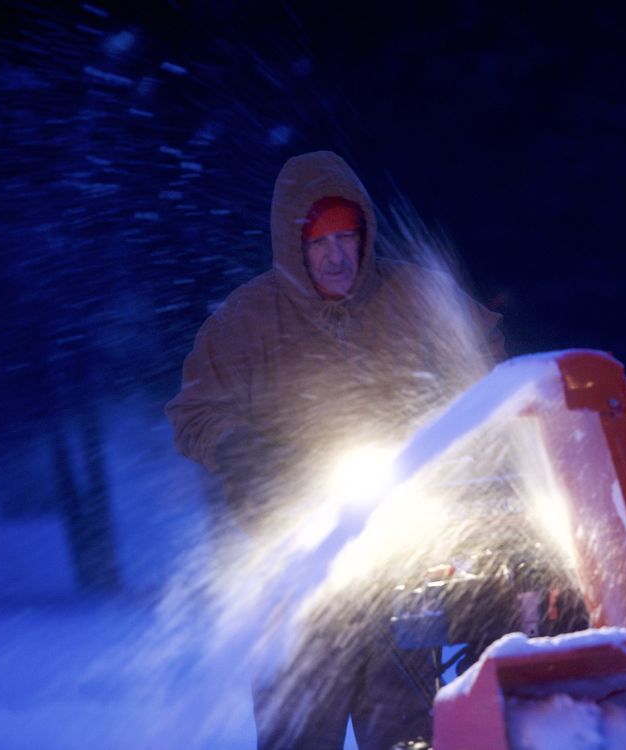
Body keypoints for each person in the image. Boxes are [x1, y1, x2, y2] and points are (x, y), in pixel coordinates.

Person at [166, 150, 504, 749]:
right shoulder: (246, 320)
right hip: (291, 567)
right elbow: (193, 411)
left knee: (406, 728)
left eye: (347, 236)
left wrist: (477, 432)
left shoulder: (410, 294)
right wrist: (237, 445)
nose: (336, 254)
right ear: (293, 245)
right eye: (320, 242)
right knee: (299, 730)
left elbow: (489, 365)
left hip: (403, 559)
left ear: (364, 235)